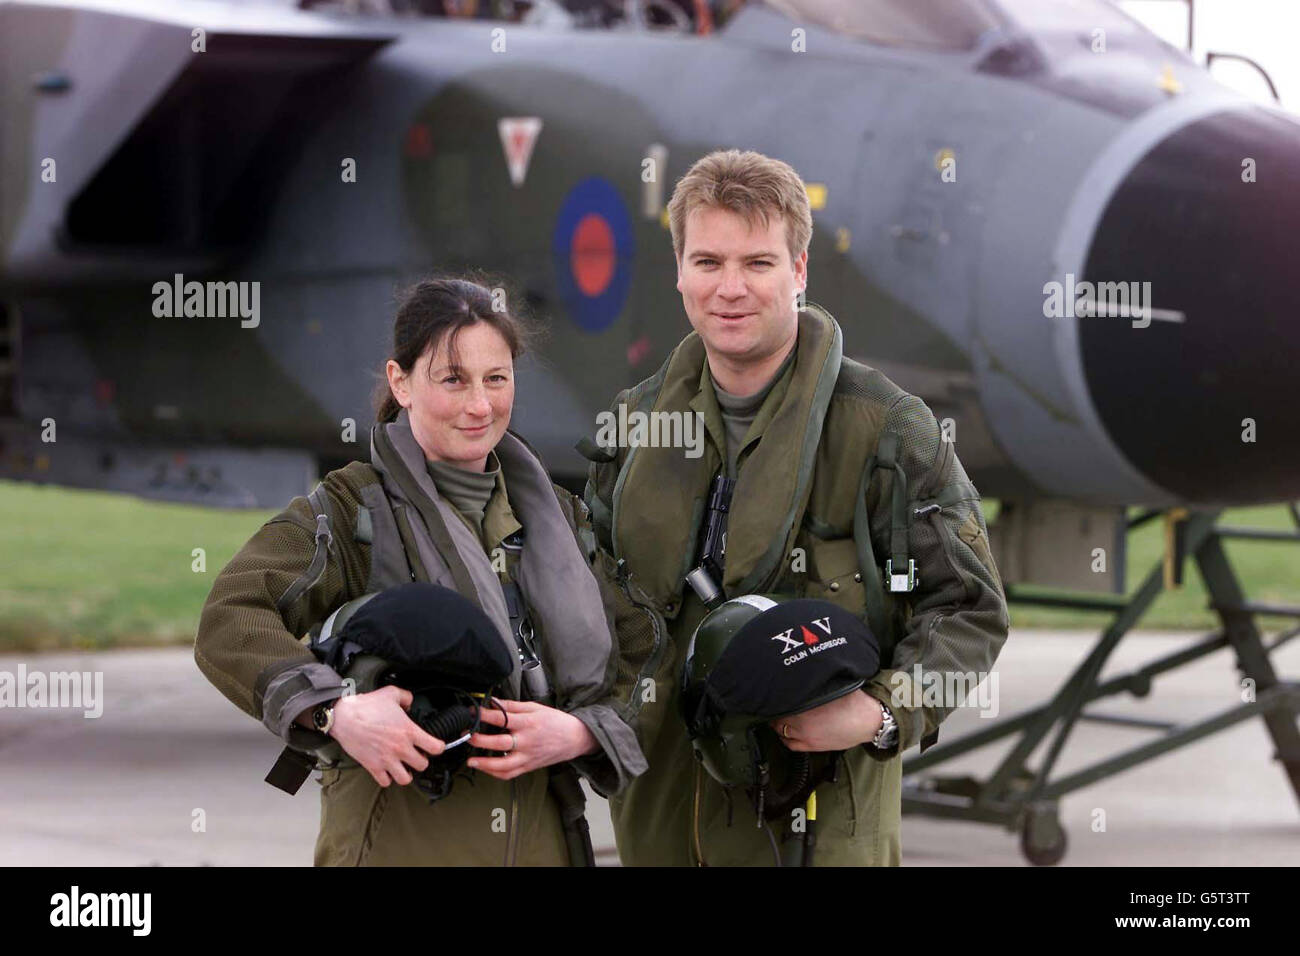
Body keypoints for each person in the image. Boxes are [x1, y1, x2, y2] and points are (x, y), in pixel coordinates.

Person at [583, 149, 1010, 866]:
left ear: (799, 270)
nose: (731, 289)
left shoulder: (886, 430)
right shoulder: (634, 425)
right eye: (708, 262)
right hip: (660, 822)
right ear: (679, 271)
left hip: (818, 820)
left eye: (759, 263)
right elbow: (585, 602)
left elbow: (971, 608)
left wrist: (880, 711)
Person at [195, 277, 645, 866]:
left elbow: (640, 650)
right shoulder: (353, 511)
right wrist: (335, 711)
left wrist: (582, 732)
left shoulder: (559, 520)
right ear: (400, 382)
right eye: (452, 379)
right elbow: (231, 617)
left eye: (496, 378)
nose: (479, 405)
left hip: (546, 842)